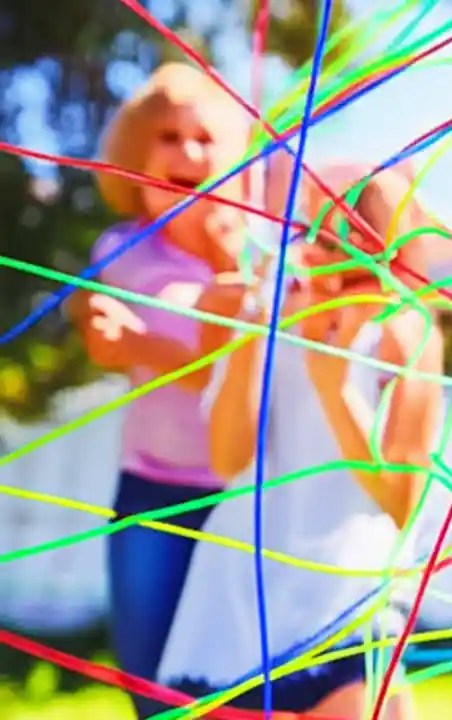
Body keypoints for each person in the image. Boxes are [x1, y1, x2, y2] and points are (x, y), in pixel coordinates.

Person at [156, 166, 441, 718]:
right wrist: (254, 328)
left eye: (356, 237)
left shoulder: (406, 332)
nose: (330, 251)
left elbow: (402, 498)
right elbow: (228, 458)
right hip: (243, 586)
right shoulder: (269, 316)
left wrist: (332, 381)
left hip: (347, 594)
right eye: (319, 232)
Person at [67, 61, 257, 718]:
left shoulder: (261, 256)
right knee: (154, 688)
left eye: (205, 139)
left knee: (245, 687)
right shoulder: (123, 251)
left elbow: (229, 376)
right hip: (152, 491)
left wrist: (144, 341)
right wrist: (107, 333)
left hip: (248, 496)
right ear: (134, 157)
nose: (189, 154)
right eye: (168, 138)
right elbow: (114, 343)